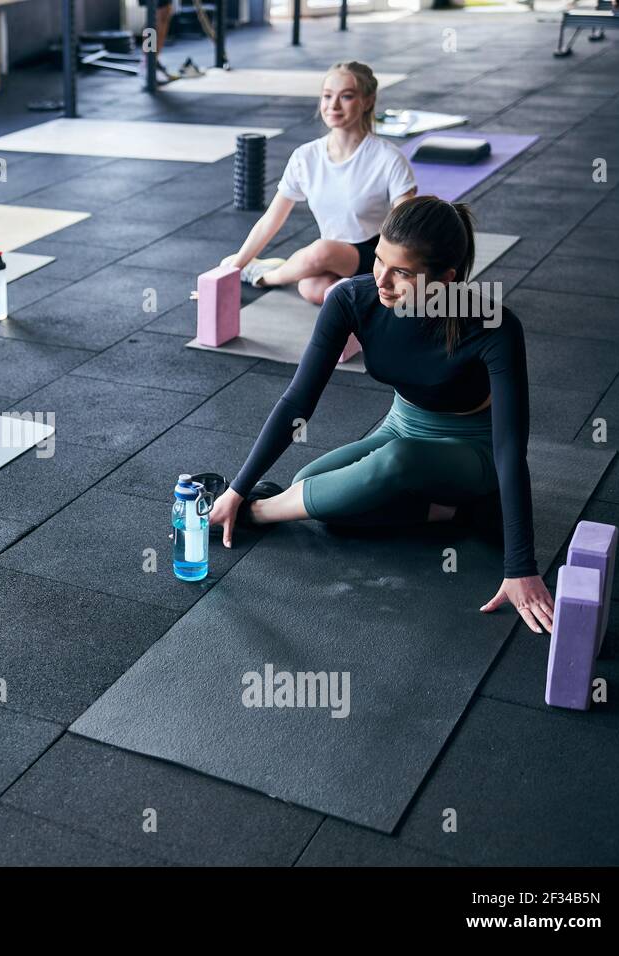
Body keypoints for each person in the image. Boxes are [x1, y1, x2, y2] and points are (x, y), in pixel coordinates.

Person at [206, 196, 555, 635]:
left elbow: (508, 448)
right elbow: (298, 402)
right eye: (378, 261)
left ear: (444, 279)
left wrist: (520, 566)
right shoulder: (352, 299)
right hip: (401, 426)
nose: (382, 281)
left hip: (473, 451)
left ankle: (262, 513)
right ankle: (453, 514)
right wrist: (237, 488)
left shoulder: (493, 327)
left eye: (402, 272)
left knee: (389, 466)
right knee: (317, 489)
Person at [222, 62, 418, 305]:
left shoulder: (389, 158)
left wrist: (401, 277)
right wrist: (232, 268)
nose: (333, 105)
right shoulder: (306, 157)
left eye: (346, 96)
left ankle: (263, 276)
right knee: (313, 288)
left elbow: (407, 229)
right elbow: (270, 220)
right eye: (327, 96)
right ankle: (281, 270)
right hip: (333, 255)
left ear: (367, 101)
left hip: (378, 256)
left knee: (322, 252)